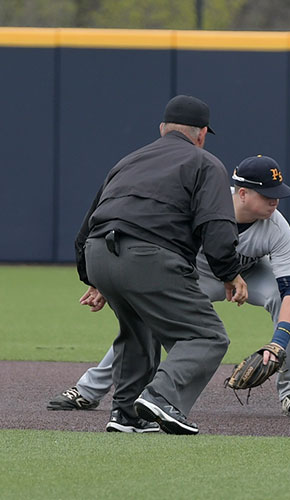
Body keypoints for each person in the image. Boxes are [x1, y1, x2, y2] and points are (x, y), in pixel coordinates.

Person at [51, 155, 290, 420]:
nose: (275, 201)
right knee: (150, 314)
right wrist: (102, 286)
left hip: (250, 275)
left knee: (283, 300)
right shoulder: (202, 206)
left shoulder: (278, 227)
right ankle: (89, 389)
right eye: (267, 194)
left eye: (277, 193)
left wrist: (277, 345)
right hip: (195, 272)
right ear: (242, 193)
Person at [74, 95, 248, 435]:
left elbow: (86, 228)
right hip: (149, 255)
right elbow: (217, 227)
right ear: (201, 134)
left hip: (98, 253)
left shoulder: (128, 161)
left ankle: (126, 414)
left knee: (139, 330)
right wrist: (229, 272)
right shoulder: (205, 162)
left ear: (162, 130)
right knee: (206, 335)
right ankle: (162, 397)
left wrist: (93, 278)